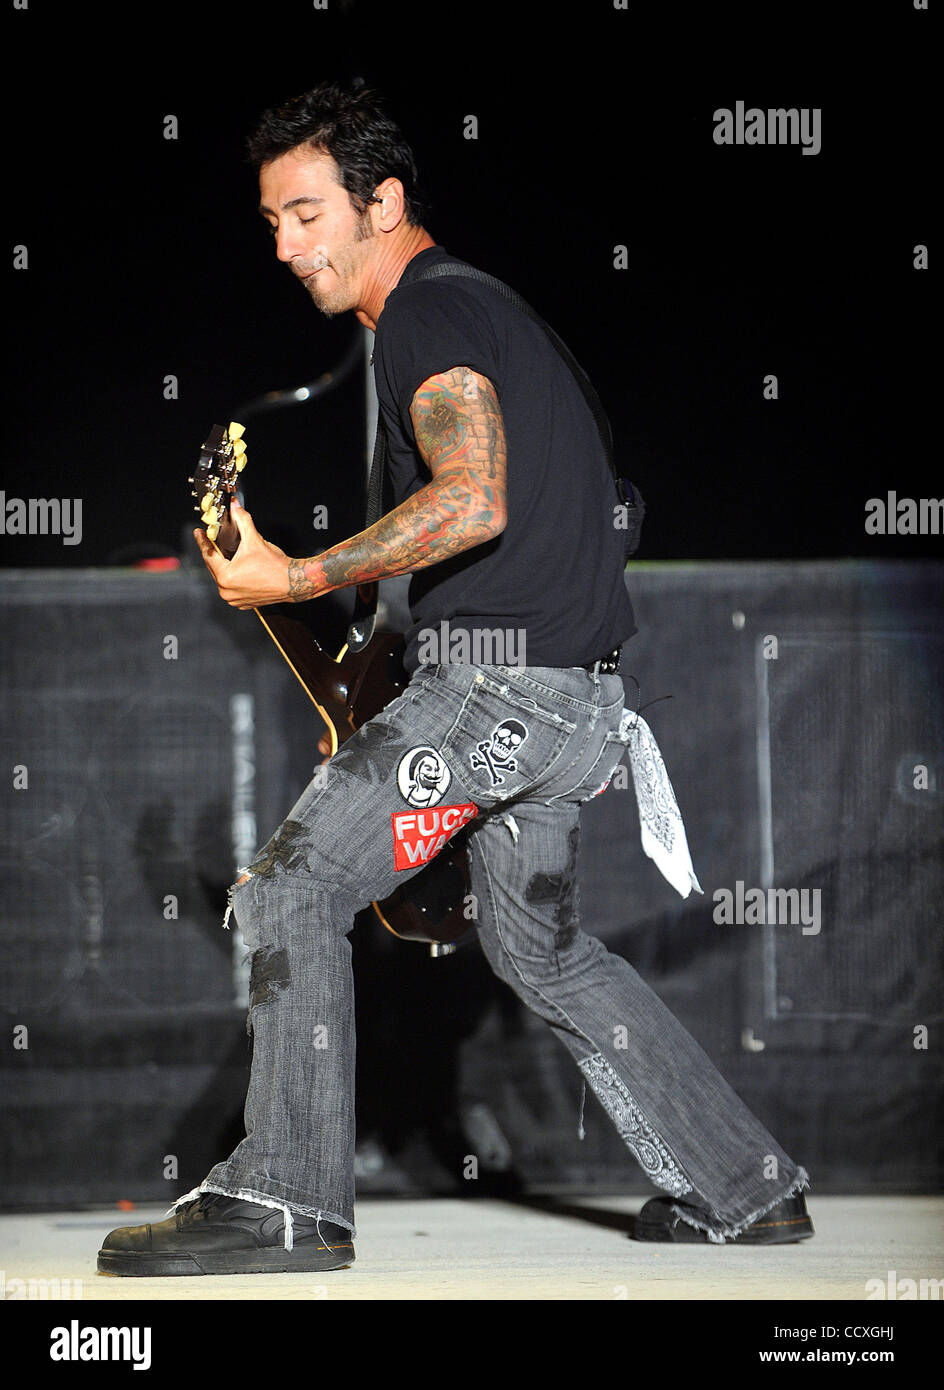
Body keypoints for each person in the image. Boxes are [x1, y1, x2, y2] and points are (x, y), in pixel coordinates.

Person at [98, 79, 812, 1277]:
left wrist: (294, 574)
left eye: (309, 213)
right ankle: (745, 1186)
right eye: (270, 221)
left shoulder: (426, 313)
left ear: (382, 203)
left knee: (288, 889)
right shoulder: (482, 314)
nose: (285, 245)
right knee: (544, 953)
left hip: (498, 700)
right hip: (576, 709)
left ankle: (286, 1200)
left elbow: (471, 497)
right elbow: (506, 513)